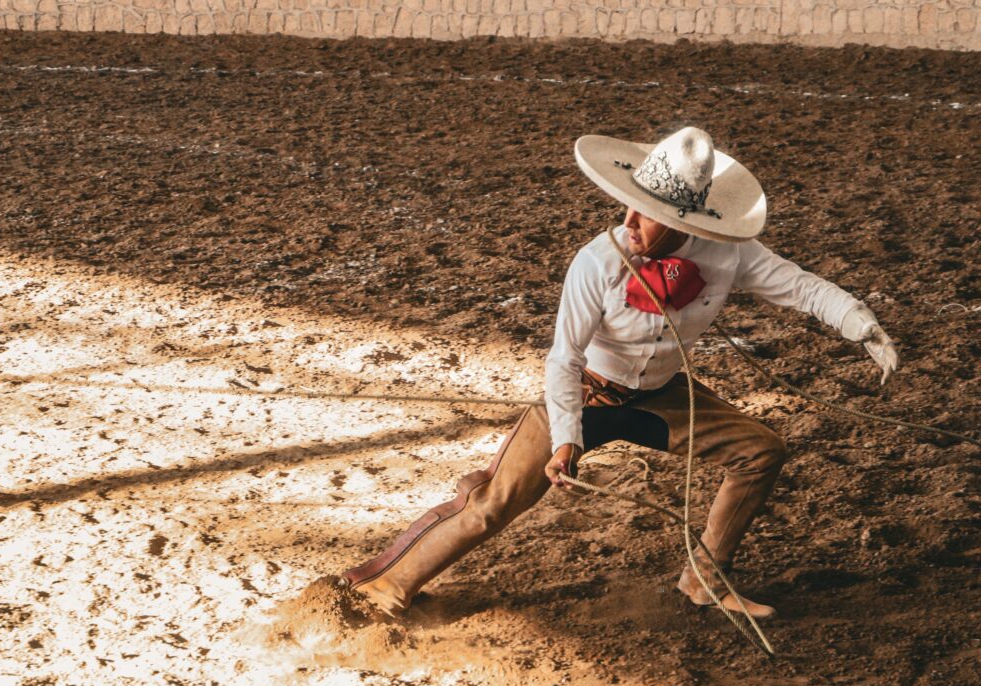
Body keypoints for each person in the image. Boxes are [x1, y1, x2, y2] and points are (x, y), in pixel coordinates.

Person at [341, 126, 898, 620]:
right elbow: (564, 356)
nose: (629, 220)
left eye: (646, 213)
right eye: (628, 204)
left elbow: (801, 285)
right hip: (586, 394)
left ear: (684, 221)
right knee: (491, 501)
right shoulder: (597, 261)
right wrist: (566, 439)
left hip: (661, 395)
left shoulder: (731, 255)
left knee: (761, 451)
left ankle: (705, 581)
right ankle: (380, 587)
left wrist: (860, 323)